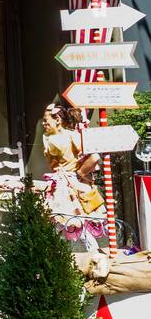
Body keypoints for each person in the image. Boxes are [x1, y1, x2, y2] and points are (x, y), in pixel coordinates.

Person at [40, 102, 106, 247]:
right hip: (73, 183)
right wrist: (81, 173)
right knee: (68, 223)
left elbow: (94, 157)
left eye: (46, 120)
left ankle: (91, 256)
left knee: (69, 223)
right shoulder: (67, 136)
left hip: (66, 187)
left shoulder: (59, 138)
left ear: (57, 120)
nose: (43, 123)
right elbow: (93, 157)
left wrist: (80, 172)